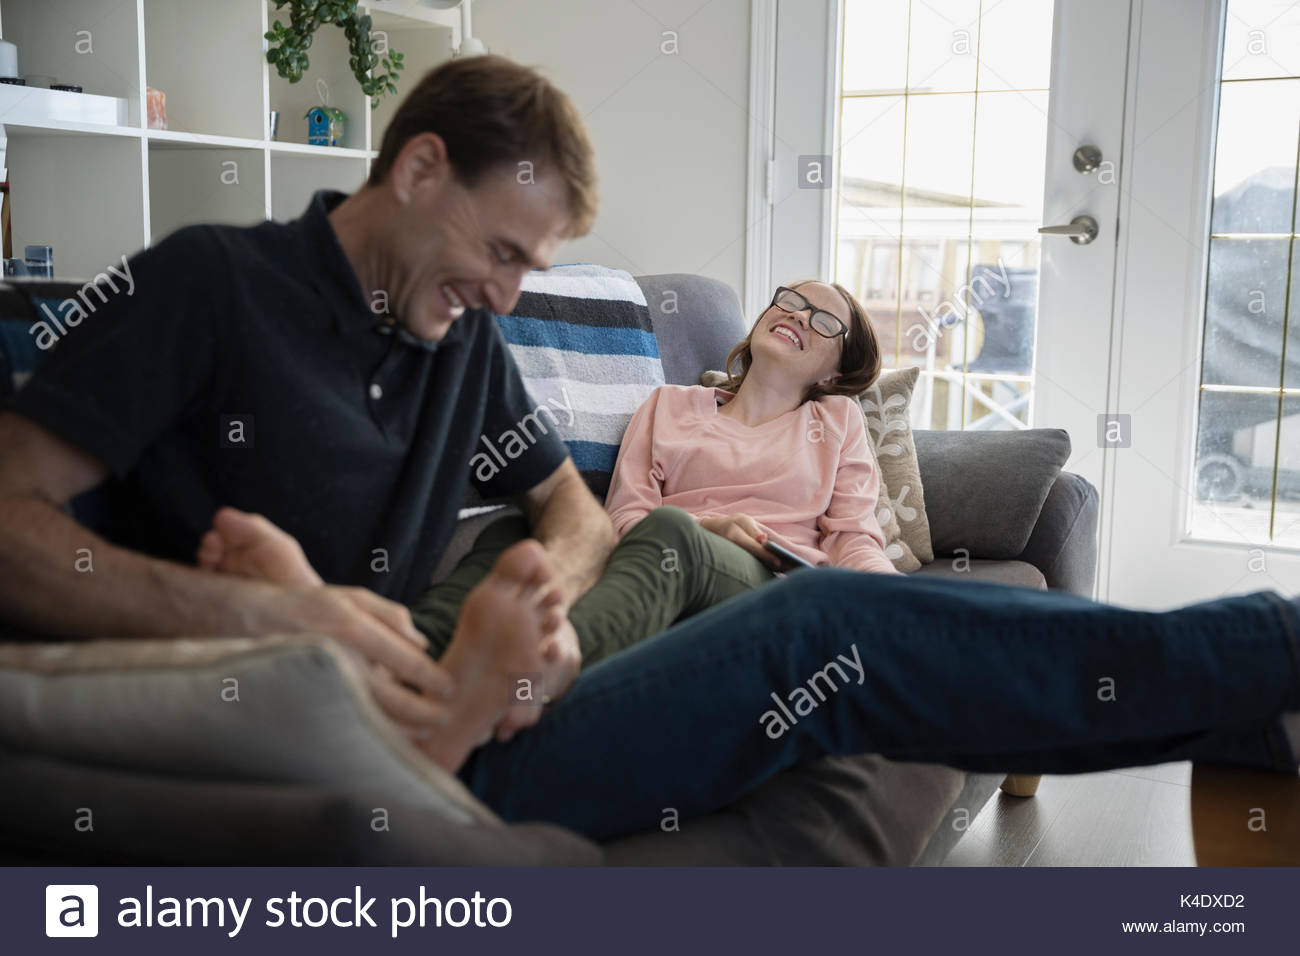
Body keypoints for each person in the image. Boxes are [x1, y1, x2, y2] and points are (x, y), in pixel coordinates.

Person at [0, 55, 612, 738]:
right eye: (501, 252)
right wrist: (276, 618)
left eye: (528, 268)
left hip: (414, 704)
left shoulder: (464, 341)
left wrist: (543, 607)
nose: (505, 299)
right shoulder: (209, 281)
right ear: (418, 170)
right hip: (246, 719)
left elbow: (573, 507)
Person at [195, 278, 902, 768]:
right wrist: (700, 523)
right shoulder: (669, 406)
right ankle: (392, 658)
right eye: (791, 300)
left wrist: (898, 613)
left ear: (836, 370)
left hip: (768, 583)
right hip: (658, 559)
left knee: (676, 537)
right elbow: (624, 514)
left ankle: (502, 685)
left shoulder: (833, 422)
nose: (799, 315)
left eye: (824, 320)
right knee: (522, 535)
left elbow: (854, 536)